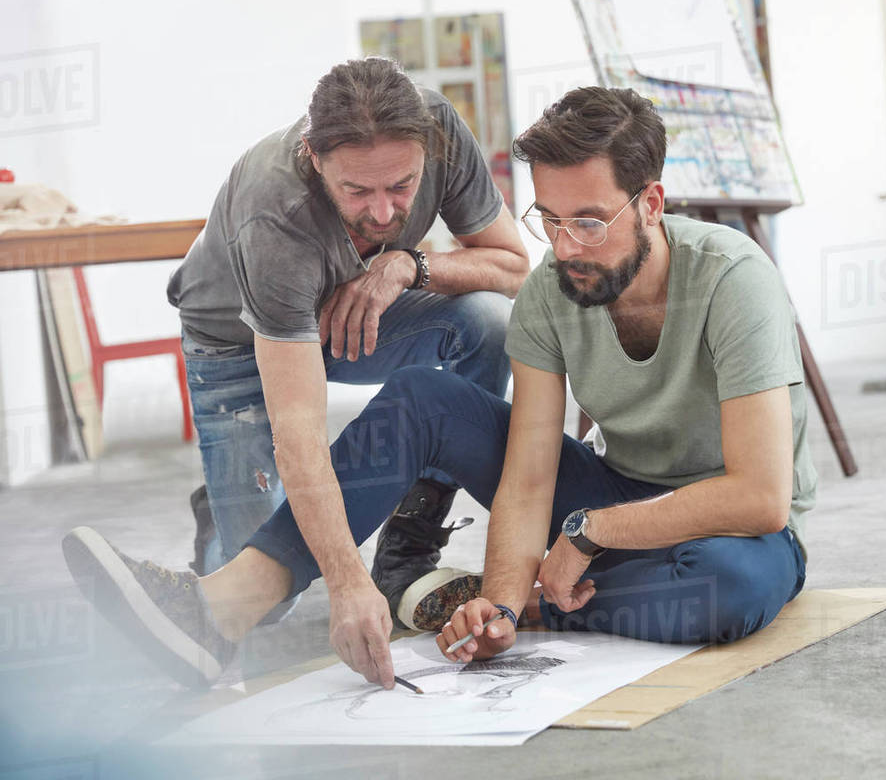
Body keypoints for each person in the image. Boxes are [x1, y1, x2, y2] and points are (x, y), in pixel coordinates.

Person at [61, 86, 814, 691]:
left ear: (651, 203)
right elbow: (526, 480)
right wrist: (503, 605)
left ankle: (512, 591)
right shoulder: (554, 289)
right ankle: (219, 605)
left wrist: (589, 535)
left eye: (590, 221)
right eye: (548, 220)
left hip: (728, 527)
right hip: (610, 489)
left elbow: (758, 496)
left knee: (730, 585)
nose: (565, 247)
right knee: (424, 396)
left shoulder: (732, 278)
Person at [164, 57, 528, 627]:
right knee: (262, 605)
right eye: (357, 190)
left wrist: (407, 264)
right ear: (314, 156)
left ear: (427, 149)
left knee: (487, 324)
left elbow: (512, 265)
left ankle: (410, 543)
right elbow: (300, 430)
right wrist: (346, 584)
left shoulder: (440, 125)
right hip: (234, 345)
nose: (382, 212)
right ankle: (224, 519)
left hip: (349, 314)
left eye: (402, 185)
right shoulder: (276, 214)